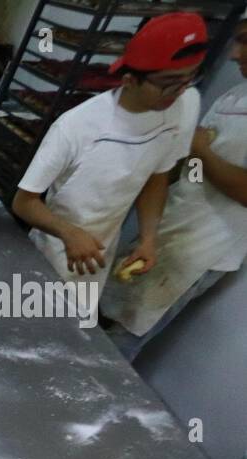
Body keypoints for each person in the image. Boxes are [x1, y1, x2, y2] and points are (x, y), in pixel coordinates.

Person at [11, 12, 208, 324]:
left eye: (189, 79)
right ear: (129, 79)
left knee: (72, 332)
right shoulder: (77, 126)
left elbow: (157, 176)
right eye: (169, 84)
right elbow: (24, 202)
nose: (180, 92)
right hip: (52, 251)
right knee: (30, 325)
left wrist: (147, 238)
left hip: (101, 253)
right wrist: (69, 232)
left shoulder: (183, 106)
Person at [102, 17, 247, 359]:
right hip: (171, 226)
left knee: (123, 338)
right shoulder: (233, 96)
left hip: (200, 250)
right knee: (104, 315)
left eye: (244, 41)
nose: (233, 54)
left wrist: (200, 151)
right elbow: (195, 170)